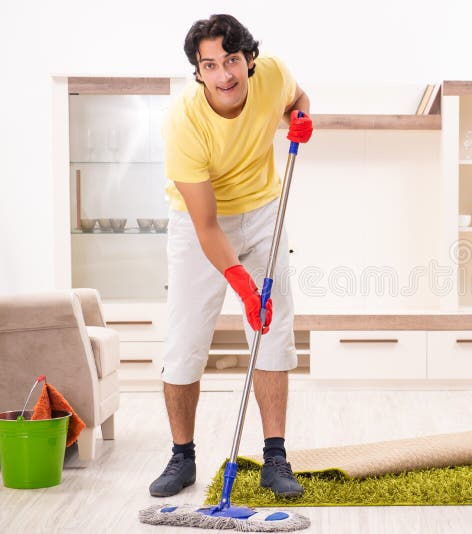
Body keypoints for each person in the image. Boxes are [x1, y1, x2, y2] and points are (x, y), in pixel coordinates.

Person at [148, 13, 312, 499]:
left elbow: (297, 98)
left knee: (273, 332)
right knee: (185, 341)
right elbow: (206, 225)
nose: (224, 75)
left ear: (250, 59)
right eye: (210, 65)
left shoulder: (274, 75)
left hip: (262, 212)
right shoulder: (183, 121)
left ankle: (275, 458)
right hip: (199, 221)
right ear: (198, 72)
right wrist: (242, 284)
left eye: (232, 60)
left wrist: (300, 118)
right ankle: (182, 456)